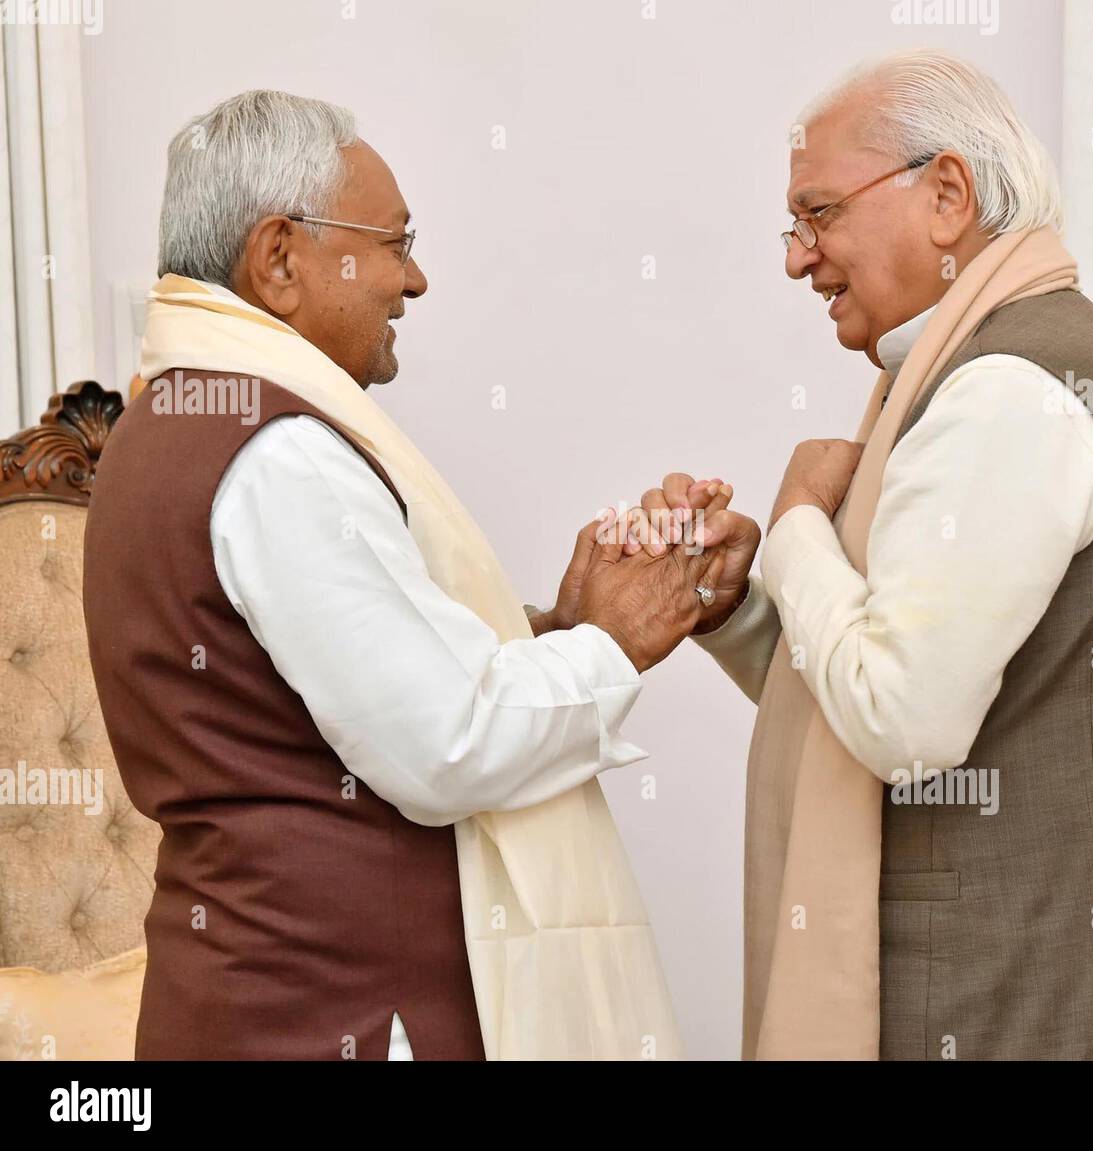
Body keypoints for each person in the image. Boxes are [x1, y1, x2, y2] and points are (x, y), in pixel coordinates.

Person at [638, 50, 1093, 1060]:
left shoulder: (1006, 388)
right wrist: (738, 606)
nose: (797, 257)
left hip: (1038, 997)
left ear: (946, 194)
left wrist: (799, 521)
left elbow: (902, 720)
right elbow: (886, 677)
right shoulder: (982, 364)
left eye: (817, 213)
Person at [83, 90, 722, 1061]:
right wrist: (612, 644)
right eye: (394, 241)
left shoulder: (175, 417)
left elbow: (343, 688)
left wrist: (553, 628)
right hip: (326, 1017)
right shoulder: (278, 448)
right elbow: (444, 745)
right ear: (280, 257)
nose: (413, 280)